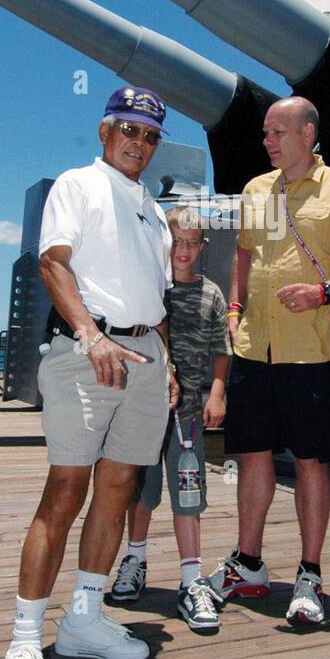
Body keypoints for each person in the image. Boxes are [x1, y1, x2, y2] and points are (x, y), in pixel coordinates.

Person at [0, 87, 180, 659]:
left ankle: (84, 618)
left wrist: (167, 360)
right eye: (129, 129)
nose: (139, 142)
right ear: (105, 131)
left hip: (145, 356)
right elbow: (53, 263)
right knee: (66, 489)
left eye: (151, 135)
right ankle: (24, 643)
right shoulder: (77, 183)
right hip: (85, 348)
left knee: (120, 487)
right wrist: (91, 334)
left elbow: (154, 299)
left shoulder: (155, 212)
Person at [207, 96, 330, 625]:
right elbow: (244, 251)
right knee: (252, 453)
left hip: (311, 347)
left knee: (311, 459)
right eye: (265, 132)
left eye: (276, 131)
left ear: (308, 133)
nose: (266, 140)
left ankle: (309, 573)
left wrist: (325, 292)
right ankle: (249, 563)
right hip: (254, 345)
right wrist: (235, 306)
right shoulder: (256, 190)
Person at [110, 207, 232, 632]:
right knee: (139, 490)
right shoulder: (151, 290)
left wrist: (217, 394)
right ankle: (135, 559)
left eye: (191, 242)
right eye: (176, 242)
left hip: (191, 410)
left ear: (201, 247)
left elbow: (222, 351)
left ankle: (191, 579)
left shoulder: (212, 294)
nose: (183, 250)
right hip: (147, 403)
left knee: (189, 492)